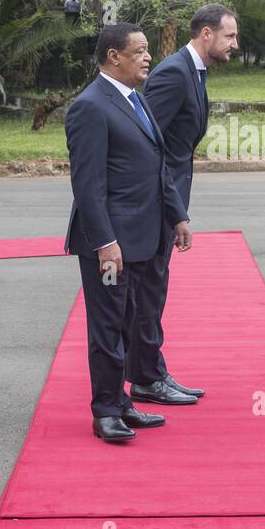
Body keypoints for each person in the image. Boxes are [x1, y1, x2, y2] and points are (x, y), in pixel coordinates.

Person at [64, 22, 192, 442]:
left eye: (147, 50)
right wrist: (105, 242)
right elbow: (88, 184)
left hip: (144, 237)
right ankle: (105, 411)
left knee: (129, 322)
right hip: (111, 243)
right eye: (138, 51)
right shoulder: (90, 106)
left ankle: (123, 404)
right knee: (107, 326)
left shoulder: (136, 99)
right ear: (113, 57)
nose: (148, 57)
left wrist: (177, 216)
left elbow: (159, 166)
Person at [136, 4, 238, 403]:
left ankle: (152, 370)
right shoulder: (174, 73)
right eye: (230, 36)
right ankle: (146, 377)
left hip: (168, 197)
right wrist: (176, 210)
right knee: (149, 289)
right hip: (157, 201)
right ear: (207, 34)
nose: (235, 44)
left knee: (155, 289)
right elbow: (148, 146)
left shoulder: (192, 71)